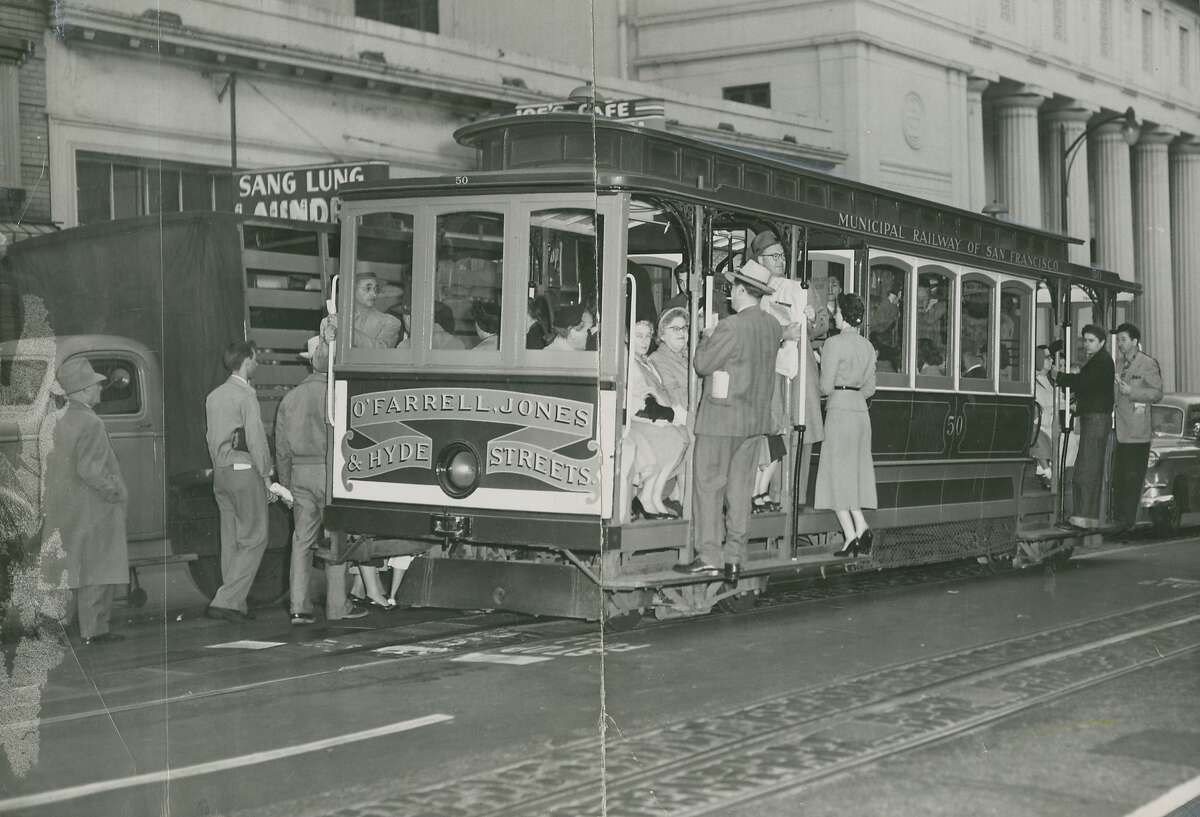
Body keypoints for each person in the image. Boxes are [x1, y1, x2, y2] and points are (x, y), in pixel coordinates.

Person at [675, 259, 797, 582]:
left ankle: (709, 556)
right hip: (753, 424)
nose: (730, 294)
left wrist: (706, 335)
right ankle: (734, 558)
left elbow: (702, 364)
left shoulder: (730, 326)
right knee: (740, 491)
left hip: (720, 421)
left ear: (743, 290)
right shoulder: (771, 326)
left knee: (709, 487)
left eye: (733, 289)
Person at [275, 337, 368, 625]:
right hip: (331, 474)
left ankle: (299, 608)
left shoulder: (290, 398)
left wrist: (287, 483)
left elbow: (281, 447)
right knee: (335, 539)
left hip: (300, 475)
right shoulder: (338, 394)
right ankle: (336, 606)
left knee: (301, 541)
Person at [43, 358, 128, 645]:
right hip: (94, 506)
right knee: (99, 566)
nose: (100, 388)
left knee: (71, 567)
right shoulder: (91, 421)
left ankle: (59, 629)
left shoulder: (57, 419)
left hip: (67, 507)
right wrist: (114, 492)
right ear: (81, 390)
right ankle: (95, 629)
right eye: (95, 384)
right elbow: (91, 469)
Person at [204, 340, 276, 622]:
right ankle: (227, 601)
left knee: (231, 540)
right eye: (256, 358)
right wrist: (267, 476)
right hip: (244, 470)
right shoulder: (246, 395)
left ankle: (235, 602)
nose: (257, 363)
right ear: (247, 360)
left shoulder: (214, 396)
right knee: (255, 537)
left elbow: (211, 437)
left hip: (220, 472)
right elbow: (257, 440)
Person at [815, 294, 878, 557]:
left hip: (840, 410)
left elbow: (825, 386)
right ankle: (858, 529)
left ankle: (853, 533)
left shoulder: (833, 343)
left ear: (845, 315)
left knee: (835, 474)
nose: (834, 316)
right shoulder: (867, 346)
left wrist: (820, 364)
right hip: (860, 413)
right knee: (851, 474)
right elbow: (869, 389)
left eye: (837, 311)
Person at [1051, 324, 1115, 529]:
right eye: (1085, 340)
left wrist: (1059, 376)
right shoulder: (1099, 361)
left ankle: (1082, 516)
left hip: (1095, 420)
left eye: (1091, 341)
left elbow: (1084, 382)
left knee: (1087, 467)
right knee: (1088, 466)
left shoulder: (1101, 361)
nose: (1086, 344)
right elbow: (1093, 389)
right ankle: (1084, 515)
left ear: (1102, 342)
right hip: (1094, 418)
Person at [624, 320, 689, 520]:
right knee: (671, 438)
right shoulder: (628, 361)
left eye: (646, 336)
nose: (644, 341)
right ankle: (646, 496)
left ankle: (654, 495)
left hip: (650, 415)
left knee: (681, 438)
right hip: (635, 418)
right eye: (638, 336)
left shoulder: (647, 362)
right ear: (627, 338)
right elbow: (632, 398)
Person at [1111, 323, 1163, 534]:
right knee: (1120, 478)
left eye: (1123, 340)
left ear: (1134, 341)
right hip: (1120, 429)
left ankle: (1127, 523)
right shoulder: (1118, 364)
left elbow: (1156, 394)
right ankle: (1119, 520)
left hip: (1137, 431)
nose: (1120, 344)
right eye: (1118, 340)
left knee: (1132, 478)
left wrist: (1132, 391)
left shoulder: (1147, 364)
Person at [352, 272, 405, 349]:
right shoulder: (337, 319)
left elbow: (381, 350)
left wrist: (348, 332)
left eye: (376, 289)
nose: (373, 294)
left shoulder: (390, 322)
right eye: (368, 288)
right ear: (352, 290)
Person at [1031, 344, 1056, 484]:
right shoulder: (1034, 381)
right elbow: (1046, 401)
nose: (1051, 360)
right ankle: (1046, 471)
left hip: (1051, 425)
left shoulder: (1050, 380)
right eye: (1047, 357)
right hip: (1042, 425)